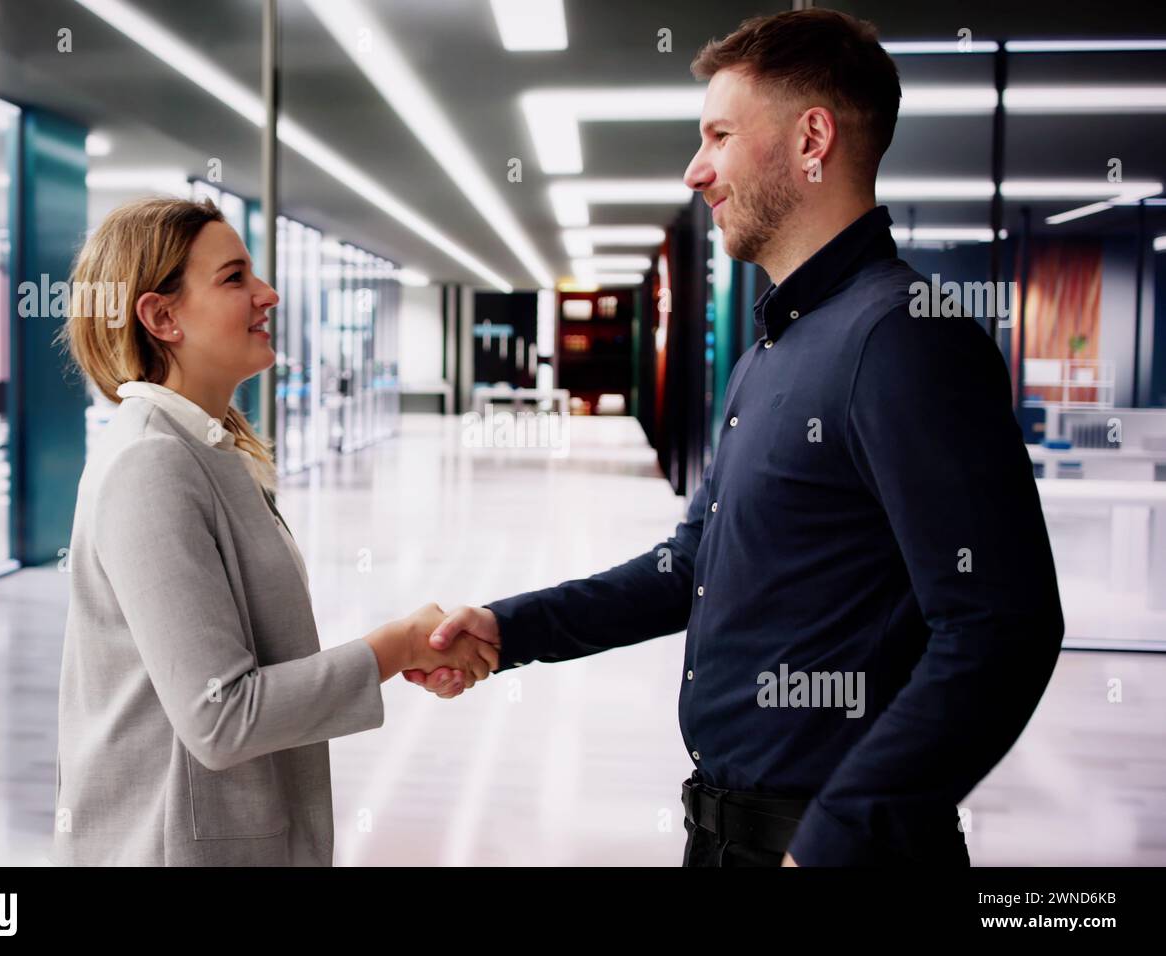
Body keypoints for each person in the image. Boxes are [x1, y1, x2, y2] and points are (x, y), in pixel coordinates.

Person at [408, 9, 1065, 867]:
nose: (696, 171)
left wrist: (835, 841)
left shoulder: (905, 338)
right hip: (723, 838)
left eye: (718, 135)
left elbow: (1000, 628)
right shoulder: (773, 349)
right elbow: (689, 566)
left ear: (812, 139)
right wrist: (508, 626)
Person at [52, 197, 495, 865]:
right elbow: (220, 716)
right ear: (162, 316)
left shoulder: (207, 448)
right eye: (234, 278)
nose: (268, 294)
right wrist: (396, 648)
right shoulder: (151, 467)